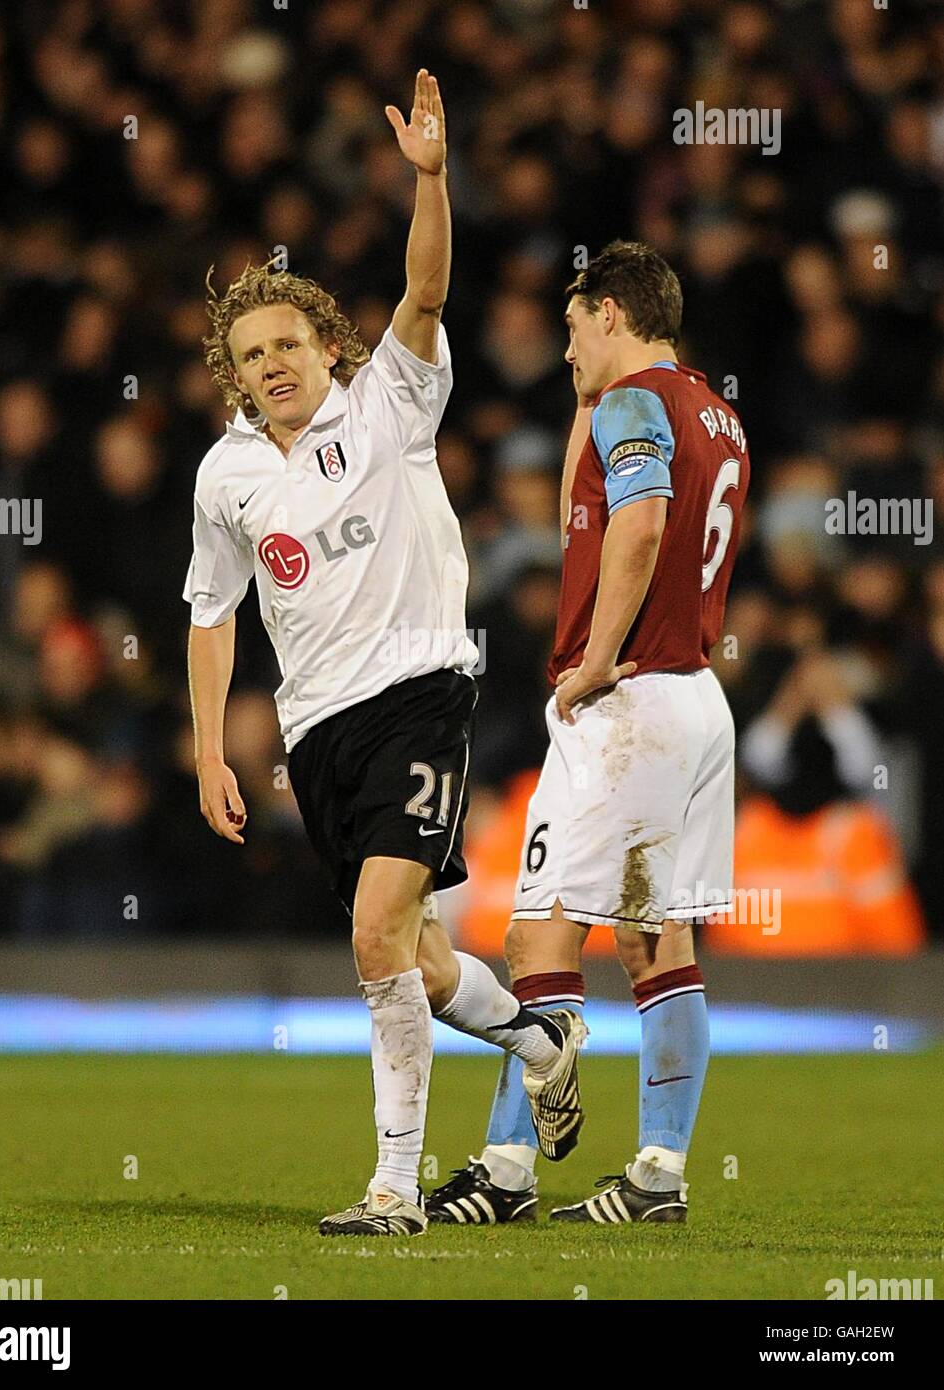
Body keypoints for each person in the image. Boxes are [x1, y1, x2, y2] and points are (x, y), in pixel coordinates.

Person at [183, 70, 583, 1238]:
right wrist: (211, 751)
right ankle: (537, 1035)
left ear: (324, 344)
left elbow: (423, 286)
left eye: (287, 341)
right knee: (413, 947)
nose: (271, 363)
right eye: (249, 352)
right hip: (315, 736)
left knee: (371, 940)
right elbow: (211, 616)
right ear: (234, 373)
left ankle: (392, 1190)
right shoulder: (226, 477)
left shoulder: (389, 403)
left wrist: (430, 178)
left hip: (418, 694)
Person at [427, 240, 751, 1225]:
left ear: (611, 313)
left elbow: (640, 524)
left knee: (535, 936)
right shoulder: (714, 413)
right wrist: (580, 399)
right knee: (657, 946)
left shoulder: (631, 403)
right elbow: (598, 507)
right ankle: (656, 1176)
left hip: (629, 706)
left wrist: (599, 654)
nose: (565, 349)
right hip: (694, 698)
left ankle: (507, 1170)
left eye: (573, 328)